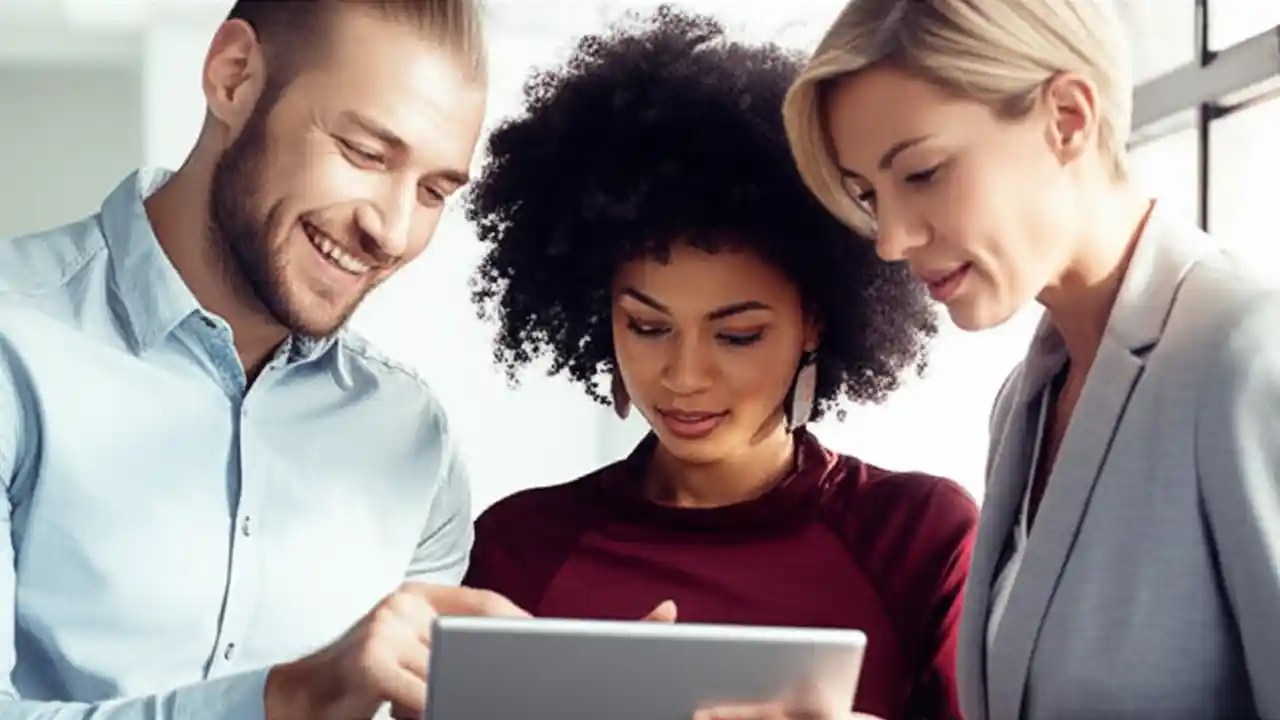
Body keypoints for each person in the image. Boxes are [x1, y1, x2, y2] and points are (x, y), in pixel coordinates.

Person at [0, 1, 528, 718]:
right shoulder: (15, 344)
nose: (393, 231)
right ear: (233, 76)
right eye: (366, 154)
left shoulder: (414, 443)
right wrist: (290, 698)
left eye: (433, 191)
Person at [460, 7, 978, 720]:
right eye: (647, 326)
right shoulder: (519, 550)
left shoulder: (918, 541)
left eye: (736, 336)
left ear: (814, 321)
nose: (685, 376)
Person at [783, 0, 1280, 718]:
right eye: (869, 195)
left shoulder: (1247, 357)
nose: (890, 239)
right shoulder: (1026, 400)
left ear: (1068, 118)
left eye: (921, 173)